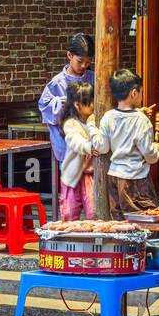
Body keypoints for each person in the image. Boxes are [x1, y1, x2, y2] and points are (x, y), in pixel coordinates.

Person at [91, 69, 159, 218]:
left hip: (115, 177)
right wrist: (157, 148)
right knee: (145, 220)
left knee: (119, 221)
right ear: (134, 93)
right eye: (141, 93)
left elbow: (102, 147)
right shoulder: (141, 121)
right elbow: (150, 155)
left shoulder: (108, 117)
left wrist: (91, 128)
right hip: (136, 179)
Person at [38, 33, 95, 169]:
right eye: (80, 61)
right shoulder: (56, 84)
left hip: (93, 147)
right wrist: (61, 105)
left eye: (88, 62)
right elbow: (46, 112)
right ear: (69, 55)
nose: (84, 66)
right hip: (68, 149)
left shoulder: (95, 78)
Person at [58, 82, 98, 221]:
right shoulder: (71, 123)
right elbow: (75, 141)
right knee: (69, 214)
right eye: (89, 101)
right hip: (72, 176)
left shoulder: (95, 121)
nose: (93, 105)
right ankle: (68, 240)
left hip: (90, 175)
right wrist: (89, 147)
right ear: (77, 104)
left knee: (93, 213)